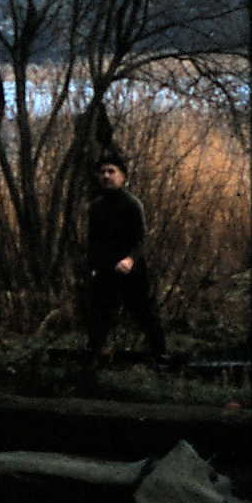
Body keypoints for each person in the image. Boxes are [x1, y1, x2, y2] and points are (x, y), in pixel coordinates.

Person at [86, 152, 170, 364]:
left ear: (122, 176)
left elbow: (141, 238)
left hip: (131, 268)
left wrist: (130, 259)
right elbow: (93, 240)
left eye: (111, 171)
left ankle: (161, 355)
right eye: (103, 172)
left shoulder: (132, 204)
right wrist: (93, 266)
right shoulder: (96, 206)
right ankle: (95, 358)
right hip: (105, 269)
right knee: (99, 313)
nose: (106, 176)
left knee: (144, 312)